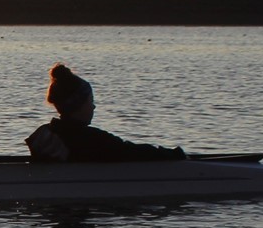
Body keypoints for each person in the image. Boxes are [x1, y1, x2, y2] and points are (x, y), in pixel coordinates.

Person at [25, 63, 186, 163]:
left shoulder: (46, 133)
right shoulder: (89, 138)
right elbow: (129, 152)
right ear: (78, 105)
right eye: (90, 101)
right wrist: (172, 155)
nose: (93, 107)